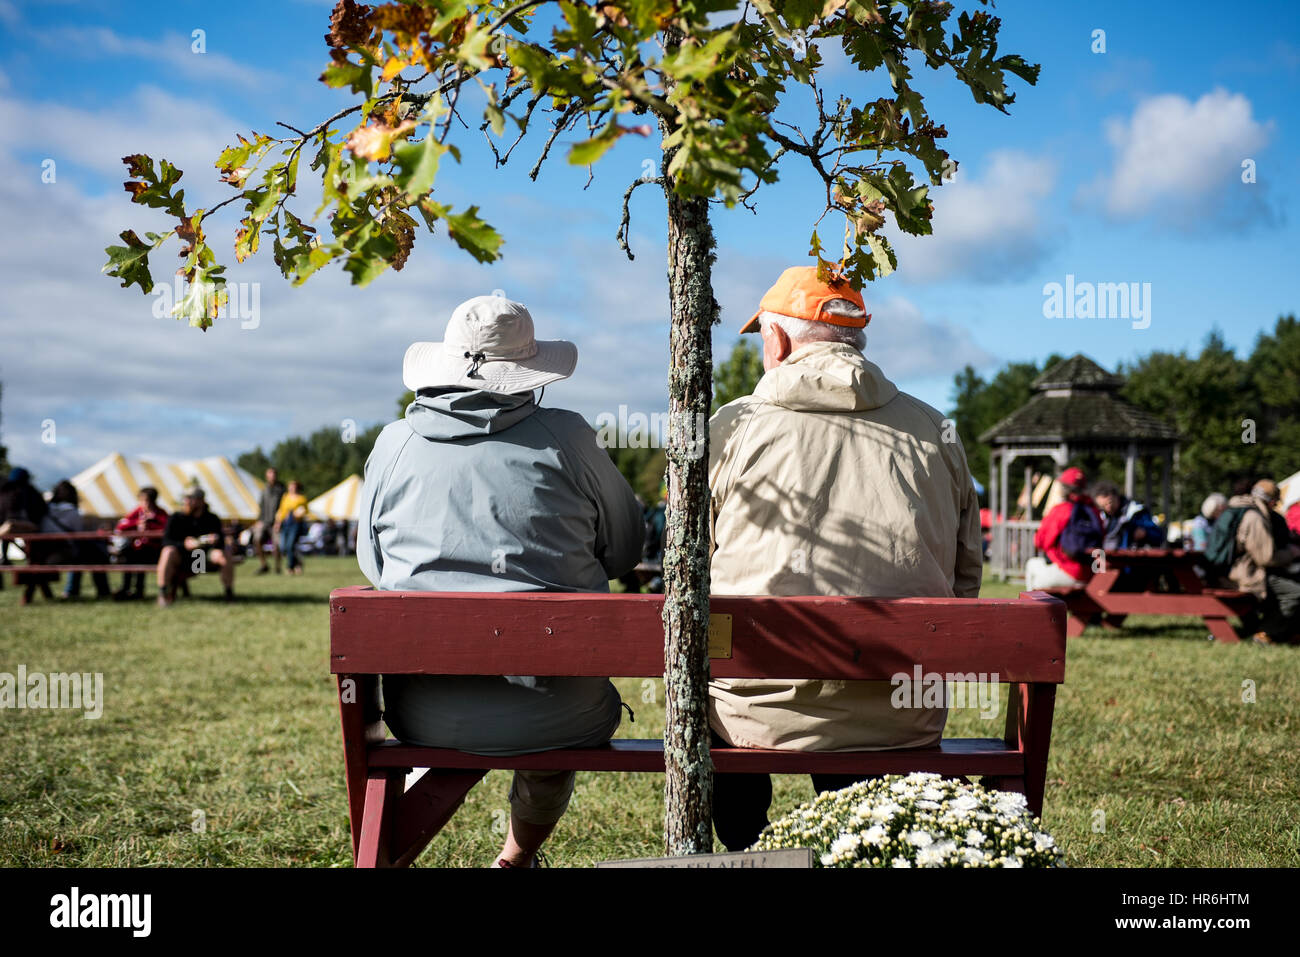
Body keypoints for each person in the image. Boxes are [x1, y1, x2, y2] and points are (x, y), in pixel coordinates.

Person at [705, 266, 983, 851]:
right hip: (899, 711)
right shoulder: (938, 431)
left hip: (752, 712)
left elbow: (690, 567)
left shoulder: (731, 428)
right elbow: (966, 578)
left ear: (777, 341)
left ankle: (741, 851)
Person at [359, 294, 642, 868]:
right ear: (531, 373)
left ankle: (391, 853)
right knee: (548, 717)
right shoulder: (568, 436)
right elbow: (625, 551)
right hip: (561, 708)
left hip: (424, 711)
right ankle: (515, 860)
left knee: (477, 716)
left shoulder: (394, 444)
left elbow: (374, 565)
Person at [1224, 479, 1300, 645]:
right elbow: (1266, 558)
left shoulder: (1244, 509)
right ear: (1271, 501)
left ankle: (1285, 632)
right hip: (1247, 573)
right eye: (1275, 502)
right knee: (1295, 592)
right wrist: (1291, 553)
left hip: (1242, 570)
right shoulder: (1255, 517)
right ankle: (1266, 632)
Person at [1025, 467, 1103, 591]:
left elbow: (1041, 541)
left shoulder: (1061, 510)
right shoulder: (1094, 511)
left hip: (1068, 572)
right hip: (1093, 573)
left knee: (1032, 565)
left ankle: (1031, 609)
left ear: (1063, 488)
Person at [157, 488, 235, 607]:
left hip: (202, 558)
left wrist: (215, 540)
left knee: (224, 555)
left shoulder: (212, 518)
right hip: (182, 558)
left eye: (190, 499)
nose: (186, 501)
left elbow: (221, 543)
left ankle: (229, 593)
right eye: (186, 498)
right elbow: (166, 541)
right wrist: (184, 544)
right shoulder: (176, 518)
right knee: (168, 551)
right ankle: (163, 593)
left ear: (201, 501)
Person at [46, 480, 112, 600]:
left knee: (82, 555)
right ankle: (102, 591)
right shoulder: (70, 511)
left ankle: (72, 590)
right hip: (62, 552)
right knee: (93, 556)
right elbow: (78, 532)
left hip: (45, 551)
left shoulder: (47, 509)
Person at [0, 467, 58, 604]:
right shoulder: (30, 493)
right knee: (35, 562)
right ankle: (5, 558)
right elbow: (40, 513)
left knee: (35, 561)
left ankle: (4, 557)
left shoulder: (6, 493)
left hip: (14, 532)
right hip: (29, 532)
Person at [113, 486, 168, 600]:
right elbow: (121, 526)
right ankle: (126, 589)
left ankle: (139, 590)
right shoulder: (138, 512)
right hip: (137, 549)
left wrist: (150, 526)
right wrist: (137, 523)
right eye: (141, 500)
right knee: (128, 554)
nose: (143, 503)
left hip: (154, 550)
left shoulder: (161, 514)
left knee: (141, 556)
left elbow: (166, 530)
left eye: (145, 500)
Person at [1091, 480, 1164, 551]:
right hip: (1108, 560)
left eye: (1109, 503)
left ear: (1116, 496)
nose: (1107, 508)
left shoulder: (1136, 512)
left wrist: (1145, 533)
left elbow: (1158, 536)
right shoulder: (1101, 517)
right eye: (1103, 506)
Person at [275, 480, 311, 575]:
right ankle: (298, 563)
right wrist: (278, 523)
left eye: (294, 486)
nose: (292, 488)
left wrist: (300, 512)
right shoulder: (285, 497)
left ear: (297, 487)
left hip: (295, 523)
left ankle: (290, 567)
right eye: (290, 486)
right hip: (285, 523)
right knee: (283, 547)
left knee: (290, 545)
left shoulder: (302, 498)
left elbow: (306, 511)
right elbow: (281, 510)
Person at [255, 468, 285, 574]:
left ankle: (277, 568)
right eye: (270, 474)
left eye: (274, 474)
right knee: (257, 540)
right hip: (264, 521)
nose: (272, 476)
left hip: (276, 522)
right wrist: (259, 520)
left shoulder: (281, 489)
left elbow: (284, 507)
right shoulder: (264, 489)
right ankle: (264, 565)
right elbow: (261, 506)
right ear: (266, 476)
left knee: (276, 545)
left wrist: (279, 521)